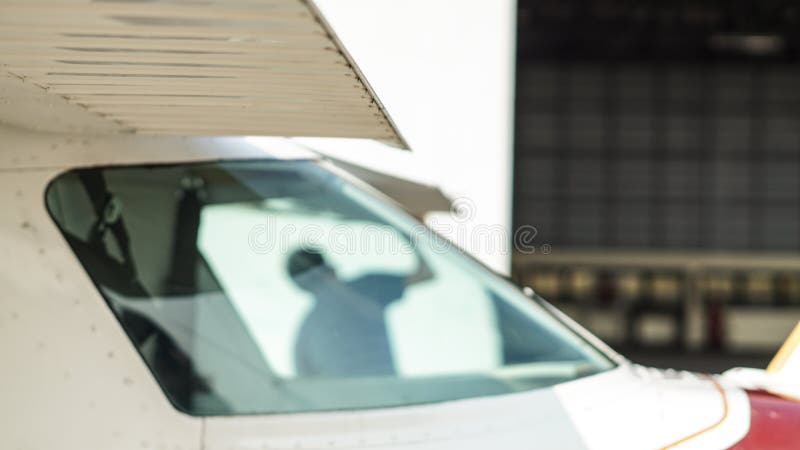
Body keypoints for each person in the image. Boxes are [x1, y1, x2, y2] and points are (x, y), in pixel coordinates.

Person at [288, 246, 431, 377]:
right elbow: (425, 273)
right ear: (331, 269)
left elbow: (307, 386)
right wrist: (409, 234)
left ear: (300, 286)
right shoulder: (366, 288)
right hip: (396, 396)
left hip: (358, 402)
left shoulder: (305, 333)